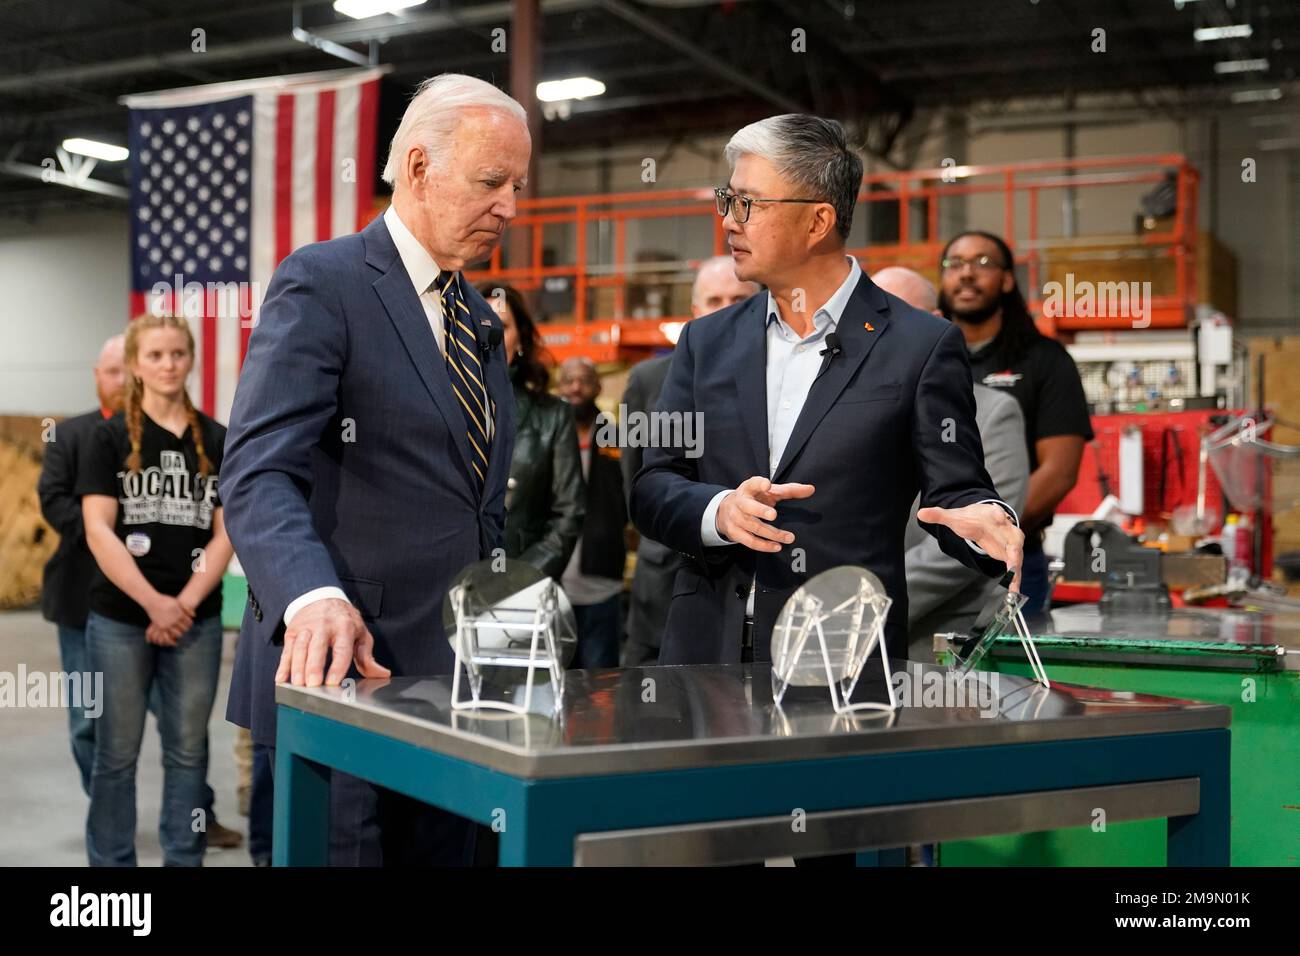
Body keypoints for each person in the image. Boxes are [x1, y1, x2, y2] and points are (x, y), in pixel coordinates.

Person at [222, 73, 529, 866]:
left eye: (518, 187)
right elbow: (257, 469)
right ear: (419, 167)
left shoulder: (479, 320)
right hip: (347, 671)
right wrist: (312, 597)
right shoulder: (324, 282)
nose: (511, 208)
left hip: (460, 689)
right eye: (492, 182)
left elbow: (474, 507)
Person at [630, 114, 1024, 673]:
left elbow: (956, 493)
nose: (728, 222)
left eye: (748, 204)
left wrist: (987, 523)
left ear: (818, 221)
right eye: (727, 199)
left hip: (843, 657)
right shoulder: (705, 340)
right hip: (704, 654)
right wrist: (720, 511)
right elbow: (652, 485)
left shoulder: (921, 345)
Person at [39, 334, 242, 852]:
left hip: (196, 620)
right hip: (119, 618)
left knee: (189, 752)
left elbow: (227, 531)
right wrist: (154, 603)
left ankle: (184, 856)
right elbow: (97, 528)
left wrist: (185, 603)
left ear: (192, 359)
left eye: (178, 354)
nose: (168, 364)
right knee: (115, 752)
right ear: (135, 365)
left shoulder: (217, 438)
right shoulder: (105, 439)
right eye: (154, 355)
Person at [872, 267, 1030, 658]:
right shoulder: (845, 414)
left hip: (937, 643)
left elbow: (975, 540)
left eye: (898, 316)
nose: (879, 333)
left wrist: (869, 602)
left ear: (936, 324)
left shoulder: (993, 413)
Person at [937, 231, 1092, 616]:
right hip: (928, 558)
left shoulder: (1044, 361)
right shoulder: (926, 360)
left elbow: (1059, 472)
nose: (967, 274)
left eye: (983, 263)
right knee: (924, 673)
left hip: (1011, 561)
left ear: (1007, 280)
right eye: (955, 264)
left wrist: (988, 531)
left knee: (1002, 678)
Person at [619, 256, 758, 666]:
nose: (726, 308)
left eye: (738, 298)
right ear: (695, 311)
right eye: (714, 299)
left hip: (743, 583)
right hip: (662, 579)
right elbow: (638, 481)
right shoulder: (647, 381)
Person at [39, 334, 125, 795]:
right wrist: (105, 536)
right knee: (87, 718)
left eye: (127, 371)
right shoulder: (69, 436)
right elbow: (52, 499)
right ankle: (106, 810)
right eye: (112, 371)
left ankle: (196, 816)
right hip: (80, 600)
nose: (121, 381)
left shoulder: (157, 436)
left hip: (152, 600)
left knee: (177, 723)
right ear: (97, 375)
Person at [479, 282, 585, 580]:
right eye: (477, 323)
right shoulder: (434, 406)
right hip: (441, 589)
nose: (489, 334)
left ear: (520, 340)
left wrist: (520, 581)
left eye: (501, 326)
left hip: (518, 591)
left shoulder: (553, 415)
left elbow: (568, 514)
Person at [556, 357, 627, 669]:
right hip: (553, 583)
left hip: (602, 583)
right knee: (554, 679)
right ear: (558, 386)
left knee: (600, 683)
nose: (576, 386)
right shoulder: (546, 437)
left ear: (598, 387)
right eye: (569, 379)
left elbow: (628, 496)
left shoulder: (616, 438)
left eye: (584, 380)